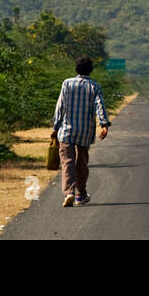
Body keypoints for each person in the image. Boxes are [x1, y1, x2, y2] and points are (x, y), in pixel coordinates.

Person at [51, 57, 111, 207]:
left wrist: (55, 127)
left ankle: (69, 192)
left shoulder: (67, 84)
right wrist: (104, 124)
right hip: (85, 131)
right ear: (90, 70)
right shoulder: (94, 86)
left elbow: (60, 107)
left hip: (67, 130)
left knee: (67, 162)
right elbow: (100, 106)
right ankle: (80, 194)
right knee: (82, 162)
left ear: (76, 69)